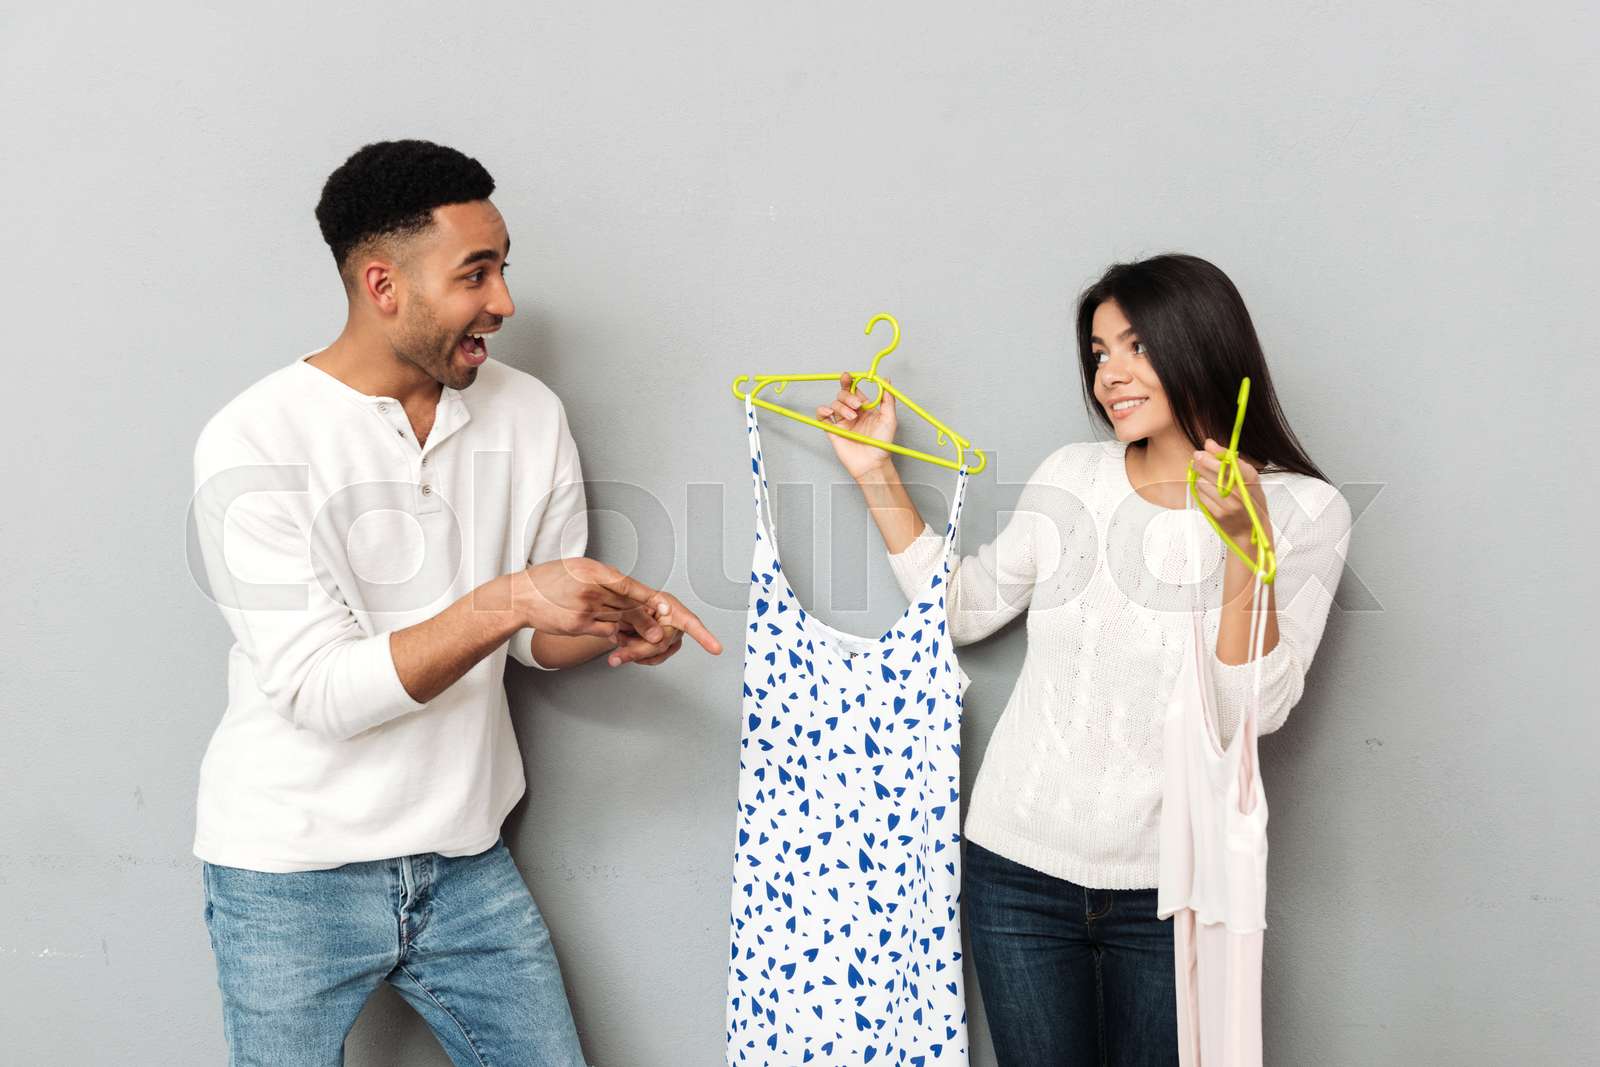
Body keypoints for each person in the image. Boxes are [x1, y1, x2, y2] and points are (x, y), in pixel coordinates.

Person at [189, 139, 722, 1066]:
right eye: (476, 274)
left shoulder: (529, 414)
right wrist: (512, 597)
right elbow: (323, 693)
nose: (505, 302)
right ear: (383, 284)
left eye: (504, 268)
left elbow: (528, 636)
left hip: (464, 859)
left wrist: (607, 623)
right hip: (288, 873)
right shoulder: (252, 440)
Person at [816, 253, 1352, 1066]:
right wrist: (874, 471)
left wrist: (1245, 554)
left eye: (1135, 346)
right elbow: (958, 609)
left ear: (1201, 344)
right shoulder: (1071, 475)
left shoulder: (1305, 509)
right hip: (1014, 871)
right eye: (1099, 353)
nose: (1111, 374)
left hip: (1173, 891)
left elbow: (1252, 715)